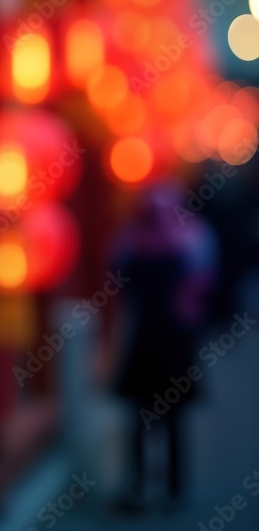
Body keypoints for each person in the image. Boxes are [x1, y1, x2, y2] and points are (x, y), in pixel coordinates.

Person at [111, 178, 219, 510]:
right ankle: (137, 485)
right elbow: (116, 282)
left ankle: (174, 489)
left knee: (173, 420)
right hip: (143, 342)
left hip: (172, 344)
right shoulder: (129, 241)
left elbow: (202, 287)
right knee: (138, 420)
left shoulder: (193, 238)